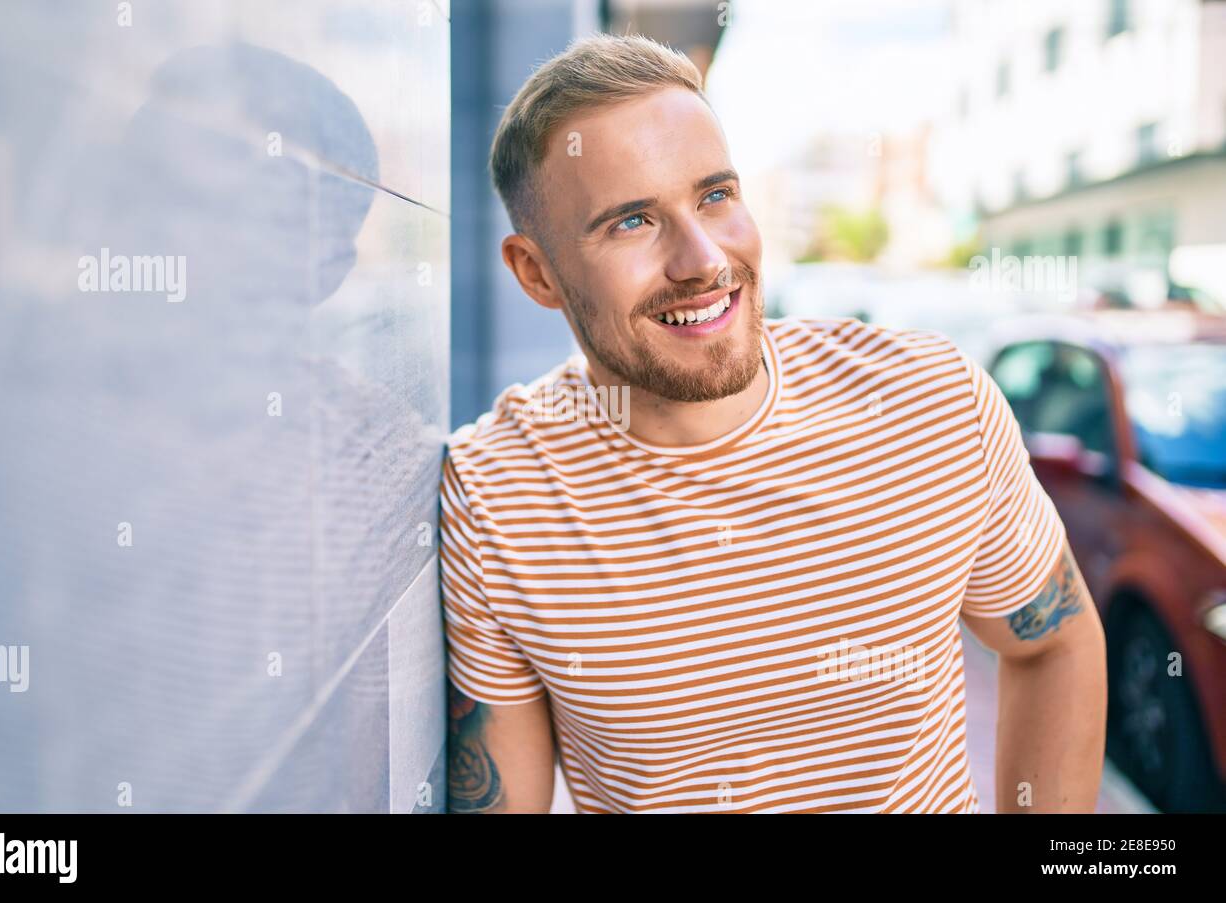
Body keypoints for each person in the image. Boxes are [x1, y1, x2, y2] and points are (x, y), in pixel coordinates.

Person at [440, 33, 1106, 813]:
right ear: (537, 272)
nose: (702, 259)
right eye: (631, 222)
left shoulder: (932, 403)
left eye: (715, 196)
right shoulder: (499, 495)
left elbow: (1053, 640)